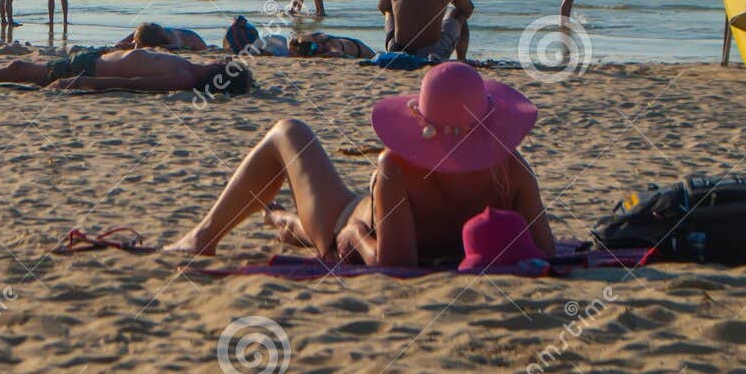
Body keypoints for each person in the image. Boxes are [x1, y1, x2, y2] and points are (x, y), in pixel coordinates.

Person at [166, 62, 553, 267]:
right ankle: (281, 221)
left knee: (289, 132)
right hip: (374, 214)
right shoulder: (510, 165)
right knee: (297, 220)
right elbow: (546, 250)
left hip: (346, 222)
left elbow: (395, 263)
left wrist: (355, 240)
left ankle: (203, 238)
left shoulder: (396, 167)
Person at [0, 41, 252, 95]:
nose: (220, 58)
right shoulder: (190, 67)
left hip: (90, 68)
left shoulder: (184, 77)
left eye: (224, 63)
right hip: (93, 59)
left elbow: (136, 82)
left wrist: (83, 81)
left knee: (19, 67)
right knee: (20, 68)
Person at [113, 22, 208, 51]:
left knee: (204, 49)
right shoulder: (140, 32)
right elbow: (118, 44)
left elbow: (176, 45)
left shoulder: (171, 35)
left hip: (192, 37)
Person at [288, 33, 375, 58]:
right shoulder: (311, 40)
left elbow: (338, 53)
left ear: (317, 42)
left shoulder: (330, 43)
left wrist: (315, 56)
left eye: (314, 47)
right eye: (312, 50)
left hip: (363, 51)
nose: (316, 49)